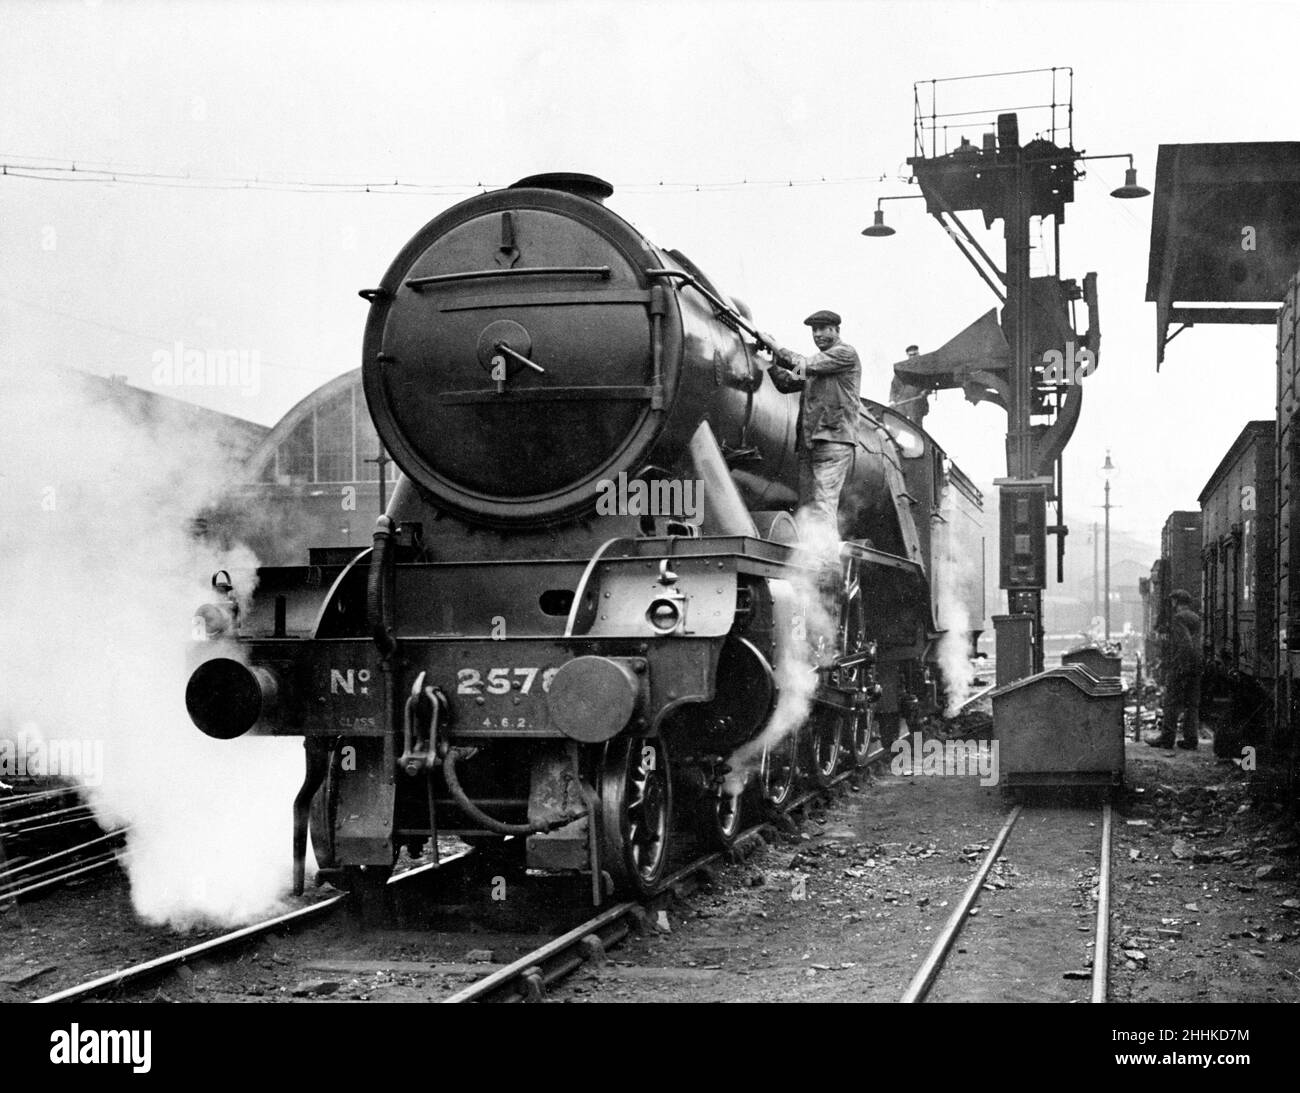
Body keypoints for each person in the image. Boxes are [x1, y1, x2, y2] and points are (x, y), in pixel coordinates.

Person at [759, 310, 862, 544]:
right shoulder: (814, 366)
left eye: (822, 329)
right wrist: (773, 362)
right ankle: (809, 566)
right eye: (814, 330)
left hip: (833, 441)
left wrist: (776, 346)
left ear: (836, 330)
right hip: (809, 445)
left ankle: (826, 572)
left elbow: (804, 364)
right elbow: (787, 382)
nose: (817, 335)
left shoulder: (844, 354)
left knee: (823, 507)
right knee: (807, 508)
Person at [1148, 589, 1203, 750]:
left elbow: (1185, 643)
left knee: (1171, 702)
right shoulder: (1196, 617)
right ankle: (1191, 739)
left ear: (1177, 602)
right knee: (1191, 704)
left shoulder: (1178, 618)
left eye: (1173, 601)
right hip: (1196, 664)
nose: (1172, 605)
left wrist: (1179, 665)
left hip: (1182, 665)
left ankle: (1167, 739)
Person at [889, 344, 931, 426]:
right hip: (901, 403)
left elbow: (930, 383)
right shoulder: (902, 368)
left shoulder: (924, 369)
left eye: (915, 355)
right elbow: (894, 386)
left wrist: (925, 391)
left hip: (916, 403)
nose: (913, 357)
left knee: (916, 427)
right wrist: (892, 400)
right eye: (910, 355)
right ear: (908, 356)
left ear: (919, 354)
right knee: (896, 425)